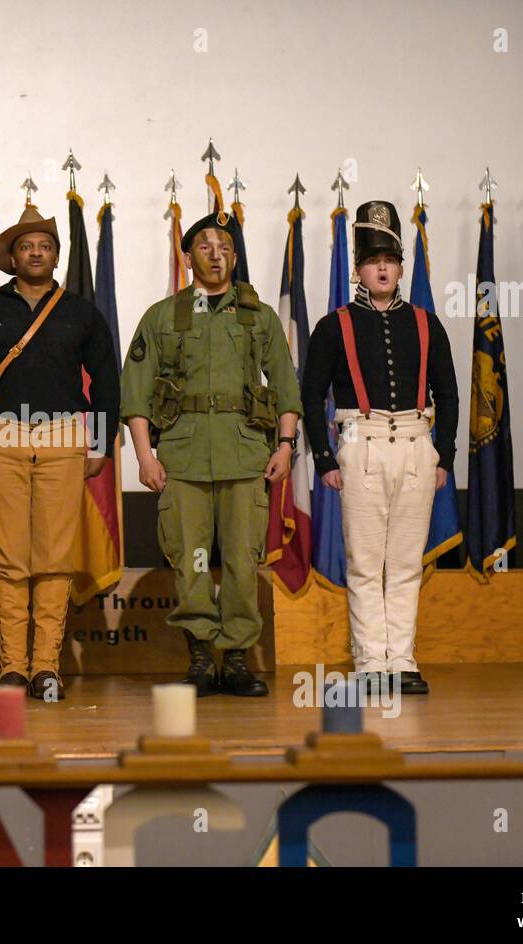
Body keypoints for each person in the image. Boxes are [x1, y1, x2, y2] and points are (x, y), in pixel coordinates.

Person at [120, 211, 301, 696]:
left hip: (245, 456)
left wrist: (284, 444)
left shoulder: (257, 316)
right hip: (182, 458)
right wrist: (144, 456)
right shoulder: (164, 316)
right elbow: (134, 395)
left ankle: (238, 659)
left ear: (236, 257)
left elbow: (285, 386)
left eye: (224, 247)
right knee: (193, 560)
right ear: (189, 257)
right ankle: (200, 657)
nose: (216, 254)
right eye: (205, 246)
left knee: (243, 560)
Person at [0, 205, 120, 701]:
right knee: (8, 559)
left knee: (53, 557)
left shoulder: (81, 311)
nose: (36, 252)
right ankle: (12, 668)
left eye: (45, 245)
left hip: (61, 436)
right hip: (1, 437)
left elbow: (106, 383)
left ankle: (47, 667)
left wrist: (101, 442)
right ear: (12, 257)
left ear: (56, 255)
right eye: (27, 246)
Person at [300, 200, 459, 695]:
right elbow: (310, 393)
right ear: (358, 270)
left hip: (415, 445)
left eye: (390, 258)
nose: (383, 268)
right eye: (373, 260)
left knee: (407, 563)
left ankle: (403, 660)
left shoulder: (427, 324)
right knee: (367, 565)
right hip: (361, 445)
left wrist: (445, 456)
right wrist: (324, 459)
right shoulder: (334, 325)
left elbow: (448, 393)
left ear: (402, 266)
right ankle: (371, 662)